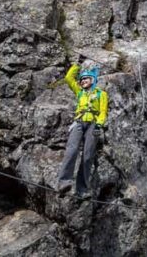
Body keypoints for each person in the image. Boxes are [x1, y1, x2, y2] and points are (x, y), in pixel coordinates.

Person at [56, 63, 109, 197]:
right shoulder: (80, 92)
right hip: (79, 122)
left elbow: (103, 111)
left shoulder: (101, 94)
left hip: (93, 124)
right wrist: (76, 65)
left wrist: (99, 125)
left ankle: (82, 190)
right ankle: (64, 182)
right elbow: (68, 78)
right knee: (71, 150)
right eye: (81, 79)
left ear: (92, 80)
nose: (83, 81)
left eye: (86, 78)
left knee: (87, 156)